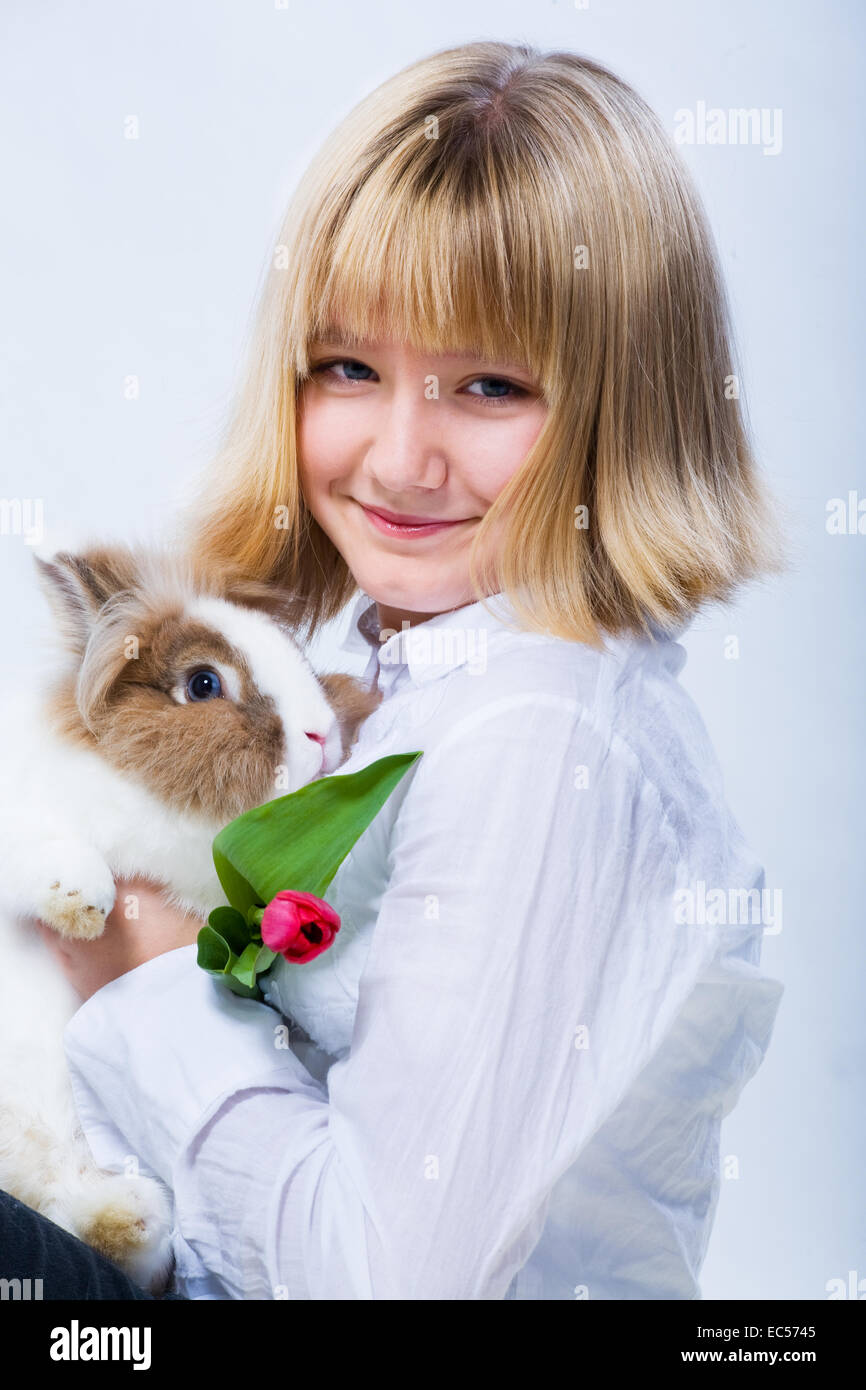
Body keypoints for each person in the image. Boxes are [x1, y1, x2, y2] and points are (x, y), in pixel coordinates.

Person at [17, 39, 786, 1299]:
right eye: (349, 369)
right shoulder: (420, 690)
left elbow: (385, 1280)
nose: (400, 457)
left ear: (621, 411)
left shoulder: (545, 737)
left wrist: (145, 982)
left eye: (487, 385)